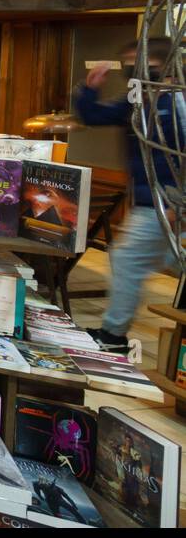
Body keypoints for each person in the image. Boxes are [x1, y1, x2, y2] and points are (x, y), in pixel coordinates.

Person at [75, 37, 186, 350]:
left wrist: (181, 202)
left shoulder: (177, 103)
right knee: (169, 258)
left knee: (126, 259)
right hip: (147, 199)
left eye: (137, 63)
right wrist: (90, 88)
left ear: (160, 65)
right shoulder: (139, 100)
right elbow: (95, 116)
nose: (130, 69)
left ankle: (113, 335)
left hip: (164, 201)